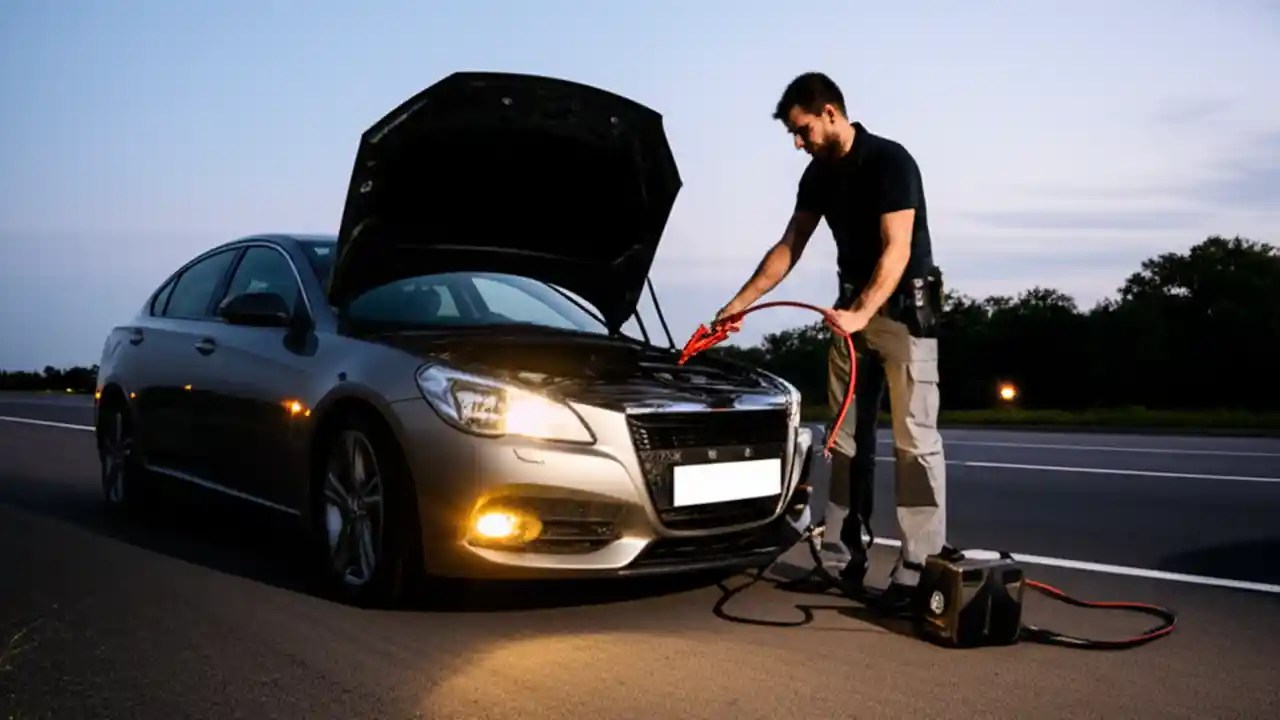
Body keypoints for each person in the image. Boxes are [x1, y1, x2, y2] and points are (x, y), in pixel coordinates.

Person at [715, 71, 947, 613]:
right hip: (851, 314)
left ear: (830, 114)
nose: (798, 143)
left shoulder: (891, 161)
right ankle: (842, 560)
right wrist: (737, 305)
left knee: (915, 441)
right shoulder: (817, 176)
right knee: (843, 442)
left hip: (900, 314)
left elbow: (896, 250)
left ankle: (919, 566)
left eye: (802, 130)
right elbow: (788, 246)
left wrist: (861, 314)